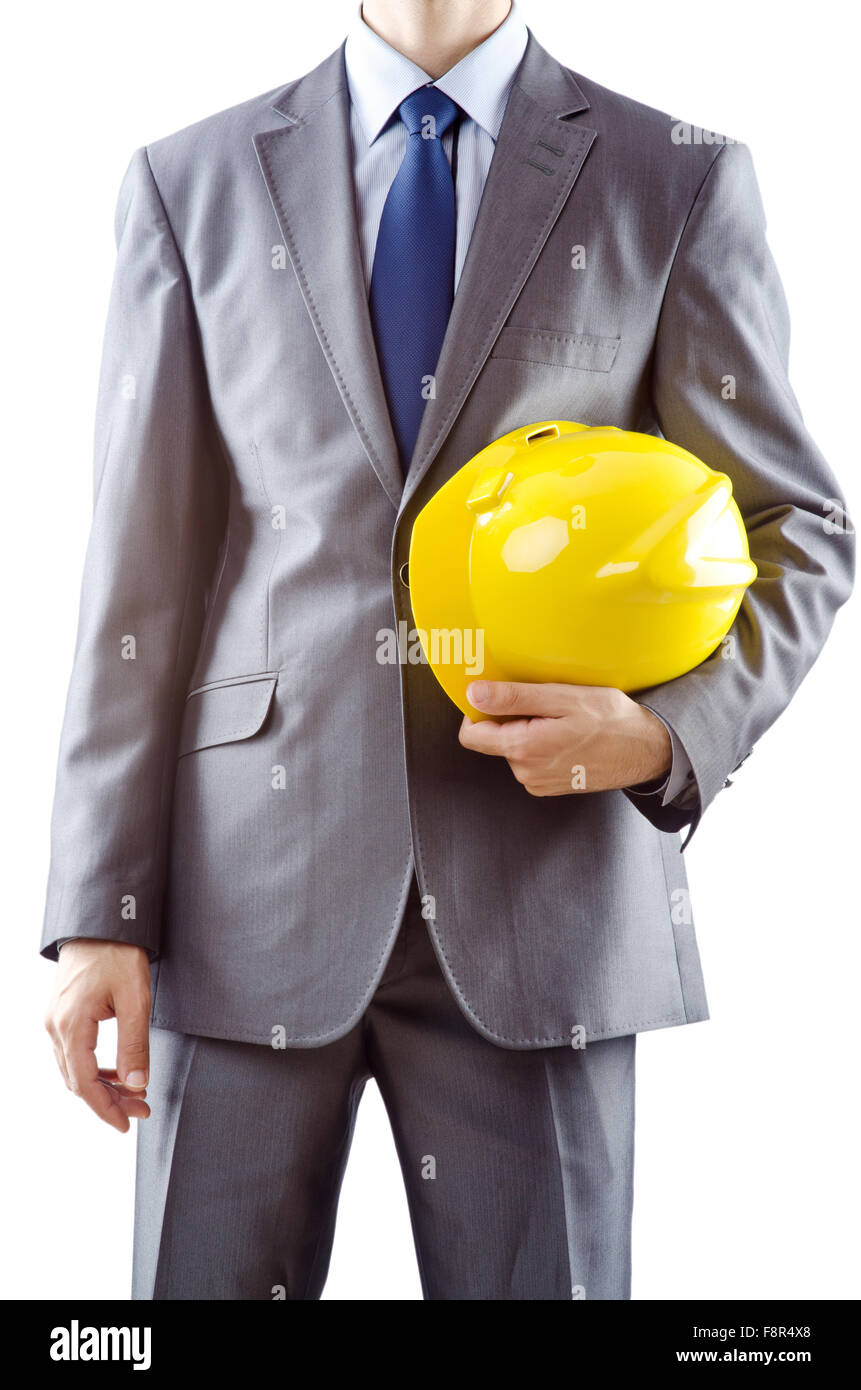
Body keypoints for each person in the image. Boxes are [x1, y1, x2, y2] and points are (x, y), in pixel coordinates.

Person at [42, 0, 854, 1300]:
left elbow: (796, 526)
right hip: (244, 889)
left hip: (545, 901)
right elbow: (138, 571)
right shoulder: (186, 181)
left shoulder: (673, 173)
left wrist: (664, 733)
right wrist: (98, 914)